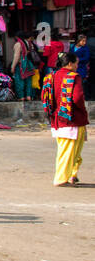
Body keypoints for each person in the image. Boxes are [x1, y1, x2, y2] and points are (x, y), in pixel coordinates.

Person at [43, 52, 87, 187]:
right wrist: (83, 110)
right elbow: (77, 98)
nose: (76, 66)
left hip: (57, 119)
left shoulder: (51, 77)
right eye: (76, 63)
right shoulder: (74, 77)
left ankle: (72, 174)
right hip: (73, 119)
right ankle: (61, 178)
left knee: (69, 149)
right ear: (70, 64)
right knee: (70, 151)